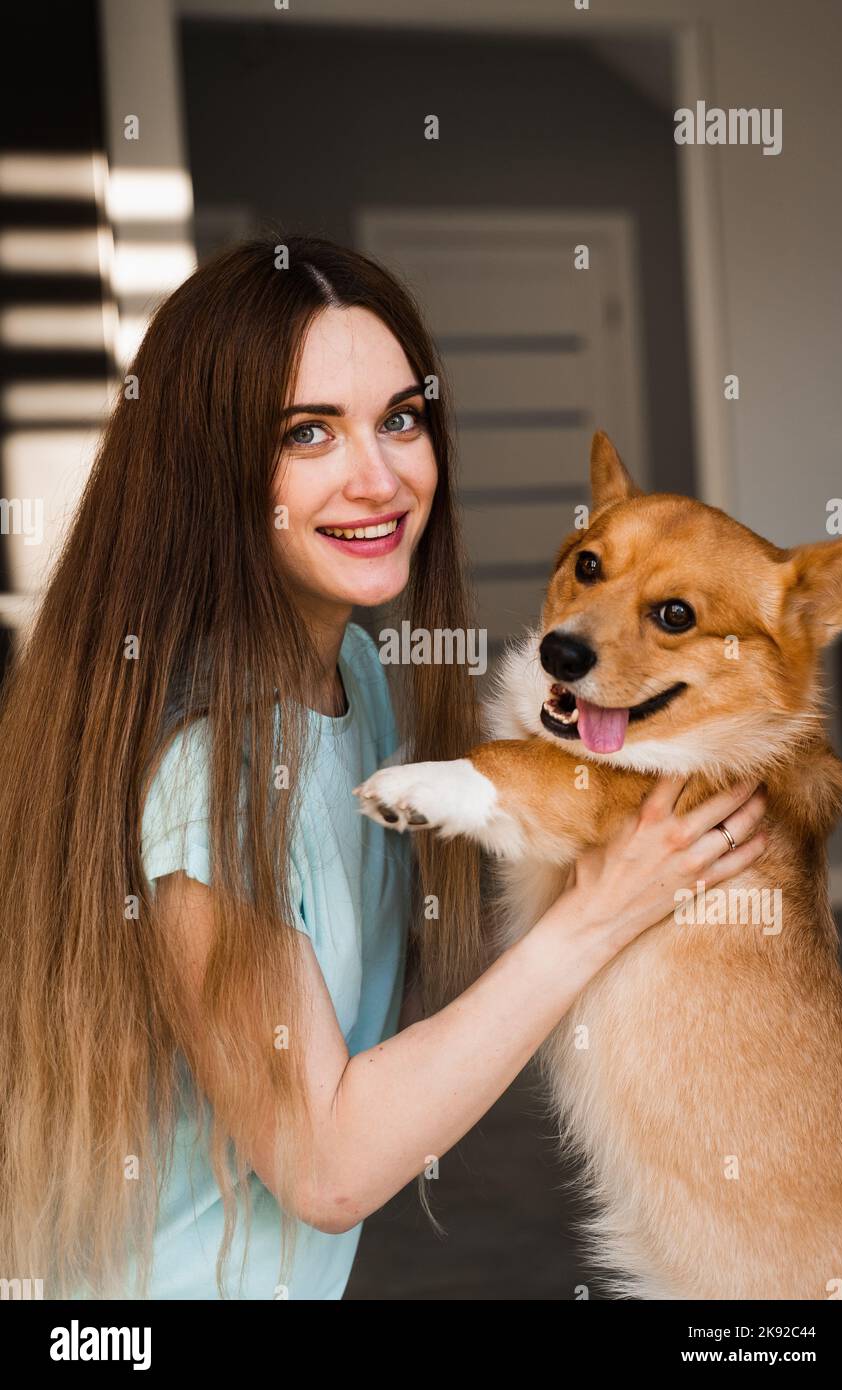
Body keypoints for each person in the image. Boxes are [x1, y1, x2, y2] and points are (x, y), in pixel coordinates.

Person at [0, 234, 767, 1300]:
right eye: (306, 433)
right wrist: (599, 913)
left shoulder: (350, 672)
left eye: (399, 418)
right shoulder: (205, 763)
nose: (380, 475)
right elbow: (327, 1164)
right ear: (210, 469)